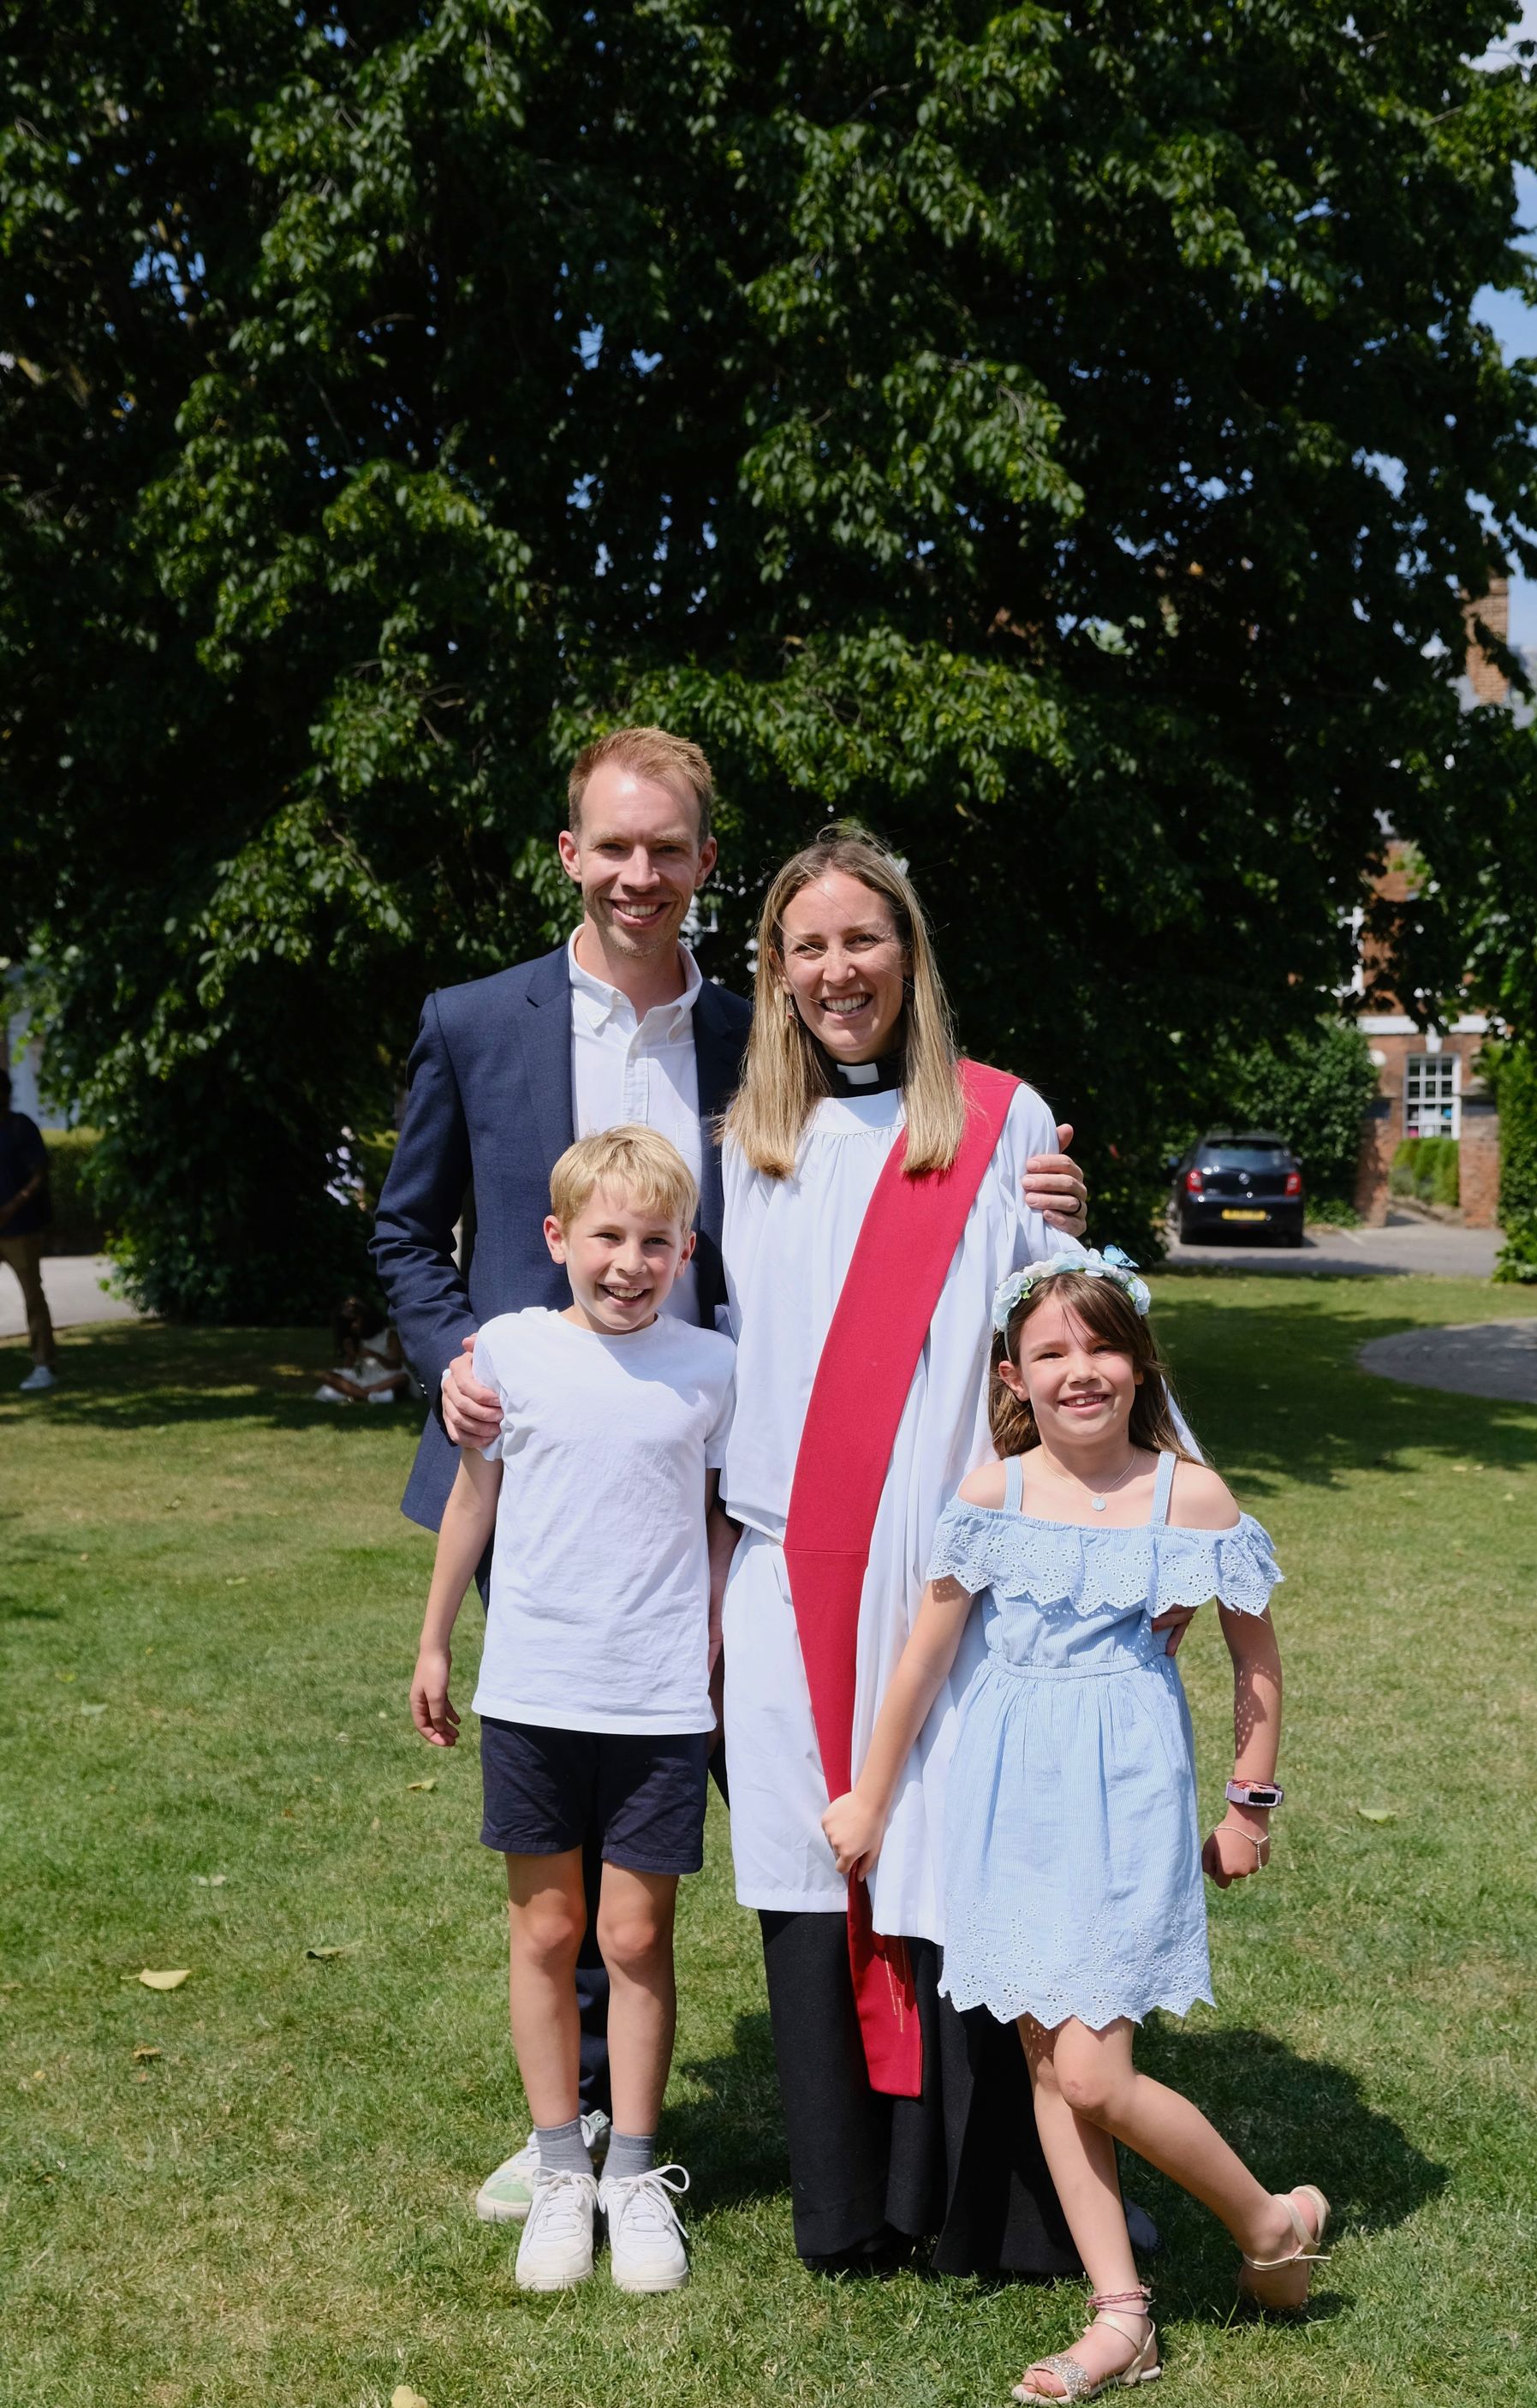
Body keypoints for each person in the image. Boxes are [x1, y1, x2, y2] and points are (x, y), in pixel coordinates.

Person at [374, 729, 1087, 2218]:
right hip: (554, 1456)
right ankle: (567, 2124)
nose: (640, 873)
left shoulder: (753, 1045)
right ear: (570, 853)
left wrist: (1047, 1203)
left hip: (751, 1463)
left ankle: (850, 2129)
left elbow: (887, 1175)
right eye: (612, 846)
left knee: (720, 1794)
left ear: (708, 870)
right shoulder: (470, 1022)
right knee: (567, 1795)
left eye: (670, 849)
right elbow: (407, 1228)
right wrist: (456, 1357)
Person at [715, 829, 1147, 2279]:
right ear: (774, 975)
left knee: (960, 1859)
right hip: (791, 1557)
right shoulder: (745, 1148)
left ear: (911, 956)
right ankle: (845, 2208)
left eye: (865, 940)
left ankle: (992, 2210)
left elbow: (1075, 1344)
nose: (840, 970)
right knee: (804, 1856)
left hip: (950, 1569)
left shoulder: (1005, 1123)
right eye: (809, 946)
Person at [822, 1252, 1328, 2403]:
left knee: (1095, 2073)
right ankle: (1123, 2318)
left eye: (1101, 1347)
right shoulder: (995, 1493)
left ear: (1140, 1362)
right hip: (1010, 1798)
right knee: (1051, 2059)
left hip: (1127, 1791)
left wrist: (1249, 1804)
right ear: (1015, 1375)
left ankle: (1270, 2221)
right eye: (1052, 1353)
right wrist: (872, 1792)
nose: (1080, 1371)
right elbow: (924, 1655)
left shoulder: (1187, 1497)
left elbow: (1256, 1661)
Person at [411, 1128, 737, 2296]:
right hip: (537, 1694)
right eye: (606, 1236)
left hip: (658, 1700)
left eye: (656, 1241)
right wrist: (438, 1636)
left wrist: (711, 1631)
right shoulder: (505, 1352)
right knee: (548, 1934)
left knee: (636, 1939)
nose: (629, 1262)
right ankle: (561, 2170)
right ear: (556, 1240)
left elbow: (720, 1517)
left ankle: (637, 2174)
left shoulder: (710, 1369)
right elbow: (473, 1502)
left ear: (686, 1249)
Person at [0, 1068, 57, 1393]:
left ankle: (43, 1363)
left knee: (32, 1297)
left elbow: (40, 1174)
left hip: (21, 1229)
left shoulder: (21, 1127)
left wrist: (13, 1205)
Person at [315, 1295, 412, 1404]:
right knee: (327, 1376)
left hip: (387, 1377)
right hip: (365, 1378)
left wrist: (374, 1355)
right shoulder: (354, 1339)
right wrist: (351, 1354)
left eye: (355, 1320)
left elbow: (395, 1366)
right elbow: (348, 1368)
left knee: (402, 1378)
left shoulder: (389, 1335)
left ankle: (357, 1394)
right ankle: (368, 1396)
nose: (353, 1326)